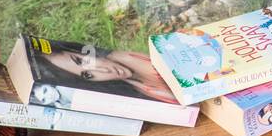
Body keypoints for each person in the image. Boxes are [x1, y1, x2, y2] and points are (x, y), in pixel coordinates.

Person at [38, 44, 176, 103]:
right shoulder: (131, 89)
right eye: (88, 75)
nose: (104, 71)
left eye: (83, 61)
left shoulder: (141, 61)